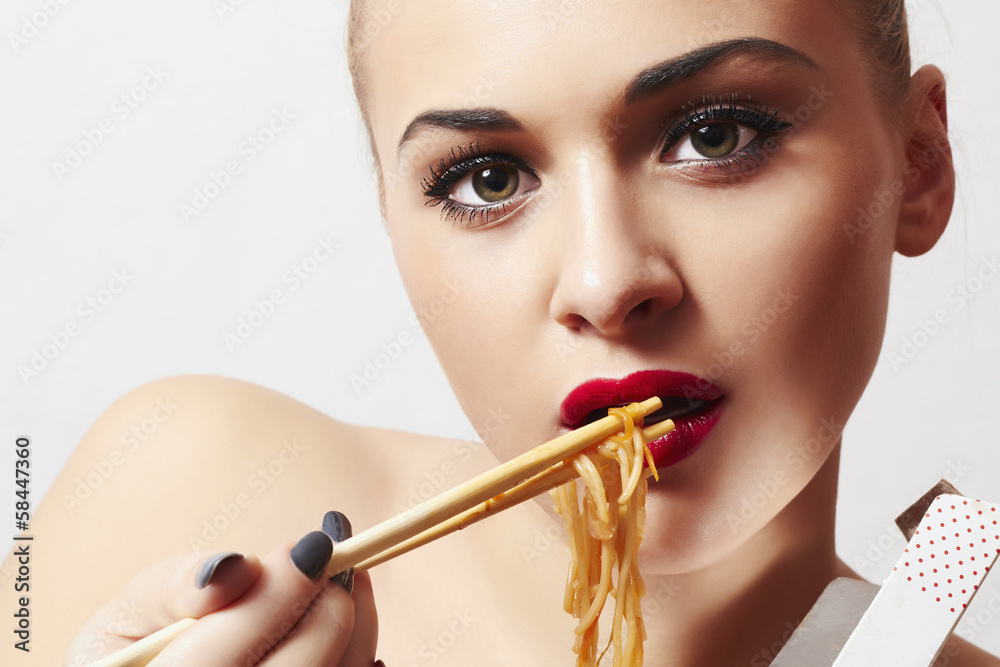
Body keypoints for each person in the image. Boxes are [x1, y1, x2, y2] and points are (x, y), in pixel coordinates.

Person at [4, 0, 998, 664]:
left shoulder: (919, 630)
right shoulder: (188, 479)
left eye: (716, 133)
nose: (607, 282)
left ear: (917, 163)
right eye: (487, 178)